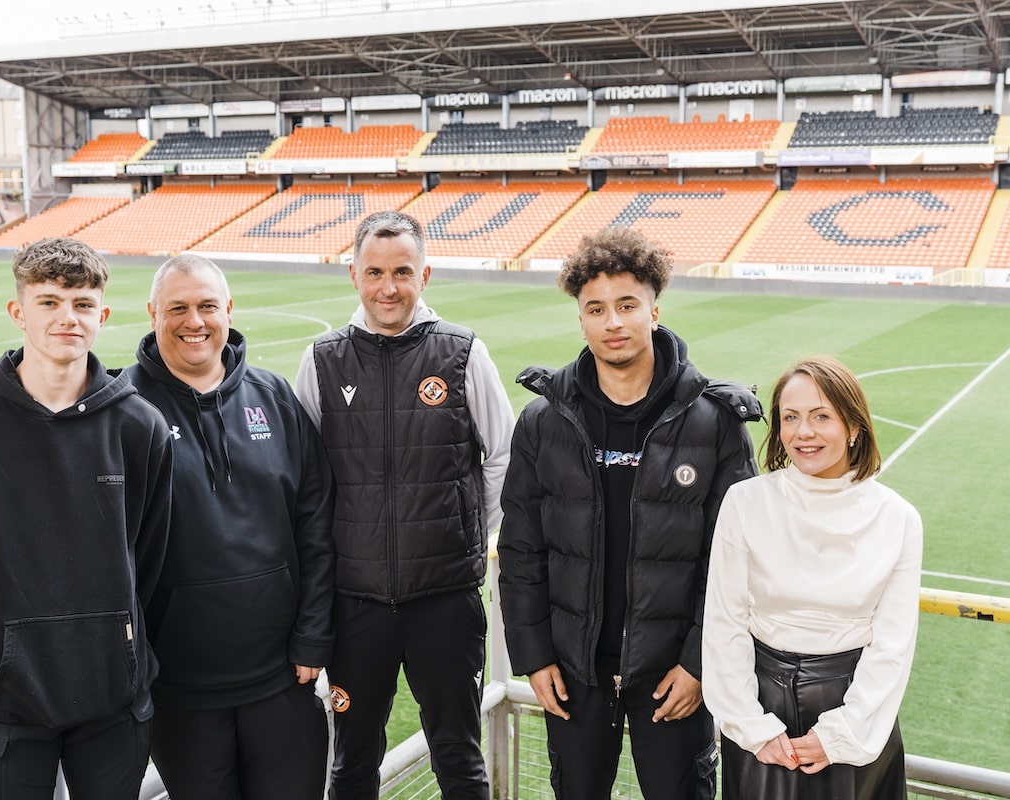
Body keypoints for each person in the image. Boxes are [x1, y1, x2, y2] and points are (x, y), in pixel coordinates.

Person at [0, 237, 174, 800]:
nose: (66, 318)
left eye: (81, 303)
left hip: (111, 699)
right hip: (4, 704)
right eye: (48, 302)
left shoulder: (139, 427)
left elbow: (151, 558)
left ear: (103, 314)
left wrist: (117, 645)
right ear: (18, 312)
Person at [497, 225, 763, 799]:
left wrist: (699, 664)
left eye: (626, 305)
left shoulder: (714, 422)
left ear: (654, 311)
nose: (612, 322)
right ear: (580, 319)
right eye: (596, 309)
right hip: (574, 672)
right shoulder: (543, 420)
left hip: (672, 676)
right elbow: (521, 548)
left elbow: (736, 560)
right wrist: (535, 654)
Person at [294, 209, 515, 800]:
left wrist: (469, 533)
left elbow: (502, 457)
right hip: (355, 604)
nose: (387, 288)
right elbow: (304, 477)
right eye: (374, 272)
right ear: (353, 275)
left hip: (444, 601)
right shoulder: (322, 360)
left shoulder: (463, 352)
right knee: (350, 765)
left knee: (459, 759)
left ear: (425, 274)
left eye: (401, 272)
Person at [125, 253, 335, 800]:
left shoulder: (275, 397)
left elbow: (316, 522)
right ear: (153, 314)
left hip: (283, 679)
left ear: (228, 311)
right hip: (179, 690)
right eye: (178, 308)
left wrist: (313, 636)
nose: (194, 321)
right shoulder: (122, 409)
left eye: (206, 306)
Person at [702, 356, 922, 799]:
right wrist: (751, 725)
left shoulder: (897, 518)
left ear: (854, 427)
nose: (804, 432)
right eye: (791, 417)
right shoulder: (745, 502)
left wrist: (842, 734)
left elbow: (893, 645)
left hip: (856, 711)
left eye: (822, 416)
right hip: (762, 714)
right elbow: (725, 622)